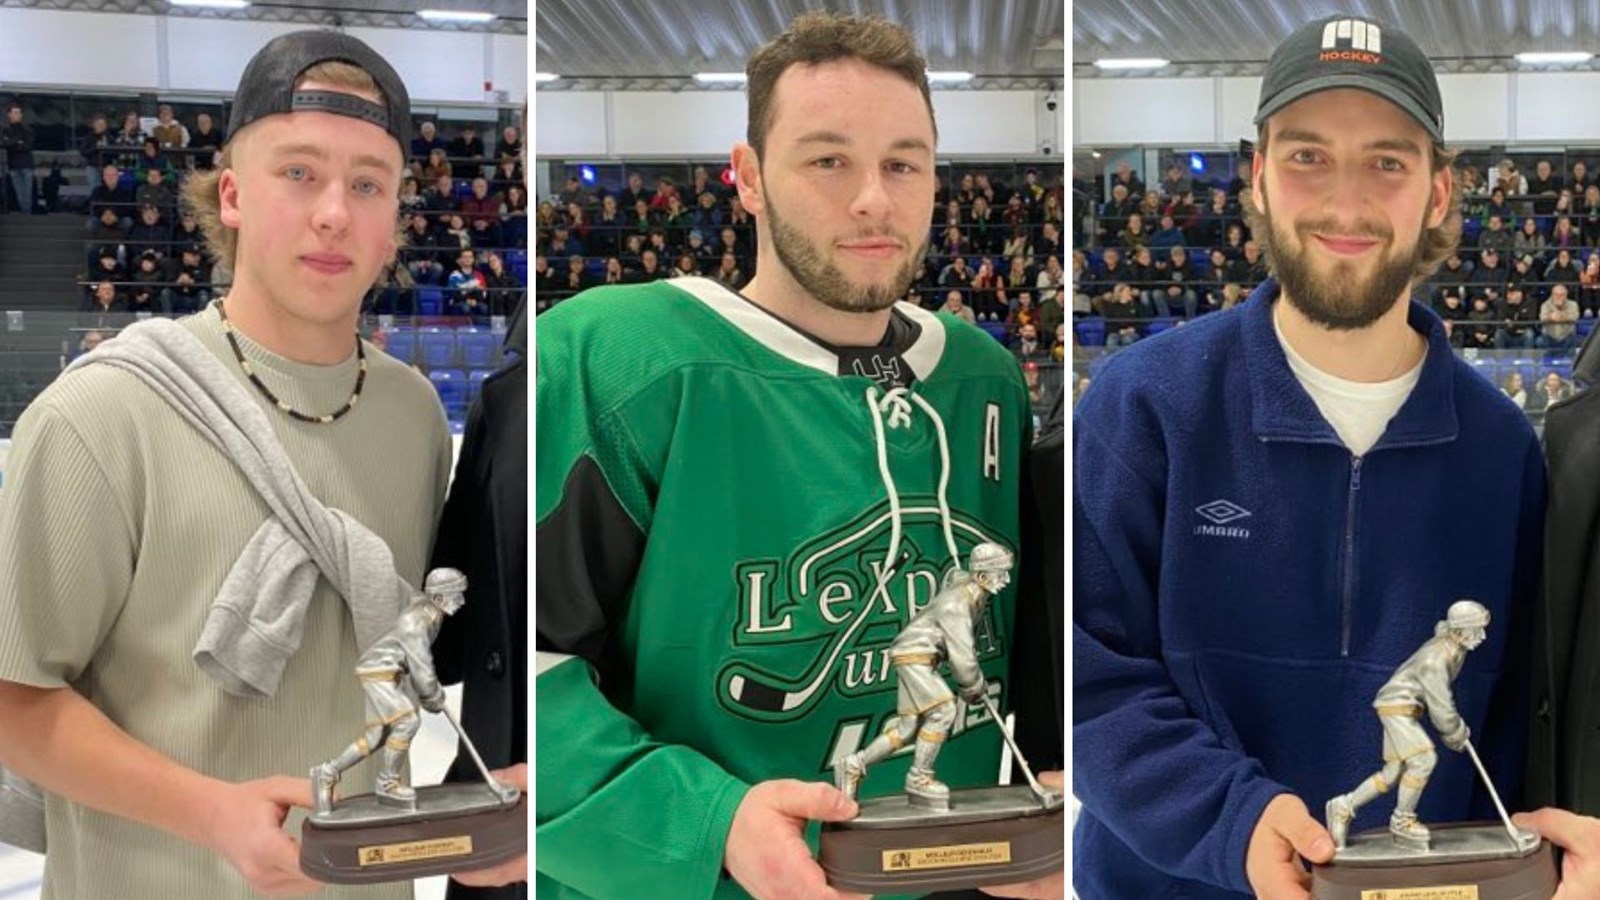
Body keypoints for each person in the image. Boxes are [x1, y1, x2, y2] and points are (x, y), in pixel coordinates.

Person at [536, 12, 1054, 900]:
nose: (872, 200)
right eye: (827, 160)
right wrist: (710, 823)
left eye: (902, 163)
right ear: (748, 179)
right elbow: (530, 675)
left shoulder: (983, 377)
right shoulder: (617, 363)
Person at [1074, 16, 1574, 900]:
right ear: (1256, 176)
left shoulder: (1505, 452)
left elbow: (1520, 723)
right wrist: (1231, 822)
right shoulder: (1142, 404)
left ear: (1439, 191)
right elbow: (1090, 680)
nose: (1346, 204)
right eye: (1308, 156)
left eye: (1387, 161)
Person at [0, 31, 456, 899]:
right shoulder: (102, 412)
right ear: (235, 194)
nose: (334, 212)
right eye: (300, 173)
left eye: (368, 184)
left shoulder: (413, 414)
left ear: (396, 215)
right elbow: (13, 704)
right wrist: (212, 814)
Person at [834, 544, 1013, 808]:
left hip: (915, 655)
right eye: (1001, 573)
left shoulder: (973, 592)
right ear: (983, 576)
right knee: (943, 712)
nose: (1006, 579)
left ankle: (854, 764)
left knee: (906, 729)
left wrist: (972, 685)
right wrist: (974, 685)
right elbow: (962, 656)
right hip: (915, 655)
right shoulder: (957, 604)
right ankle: (919, 778)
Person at [1, 103, 35, 214]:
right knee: (19, 191)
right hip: (13, 165)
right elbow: (4, 143)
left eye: (19, 113)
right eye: (15, 113)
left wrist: (12, 143)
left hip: (26, 164)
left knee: (27, 191)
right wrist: (17, 142)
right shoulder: (5, 130)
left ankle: (27, 214)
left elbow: (28, 146)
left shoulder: (27, 129)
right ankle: (24, 213)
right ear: (9, 114)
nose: (18, 115)